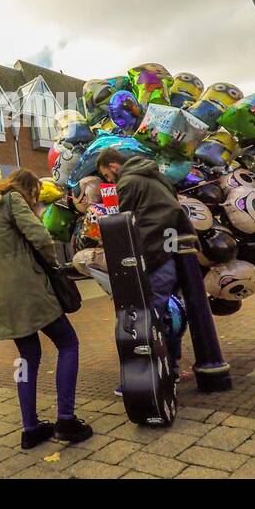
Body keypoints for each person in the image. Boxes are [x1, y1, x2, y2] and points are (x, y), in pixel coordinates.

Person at [0, 169, 90, 450]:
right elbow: (40, 237)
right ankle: (66, 420)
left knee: (27, 356)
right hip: (27, 289)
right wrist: (53, 264)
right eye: (36, 195)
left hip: (0, 296)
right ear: (29, 189)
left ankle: (30, 428)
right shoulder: (13, 200)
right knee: (68, 343)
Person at [97, 149, 196, 385]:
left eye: (107, 176)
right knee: (169, 315)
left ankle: (144, 378)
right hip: (173, 251)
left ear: (113, 166)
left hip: (152, 253)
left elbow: (127, 223)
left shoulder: (129, 182)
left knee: (147, 318)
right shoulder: (156, 176)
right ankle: (171, 368)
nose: (109, 181)